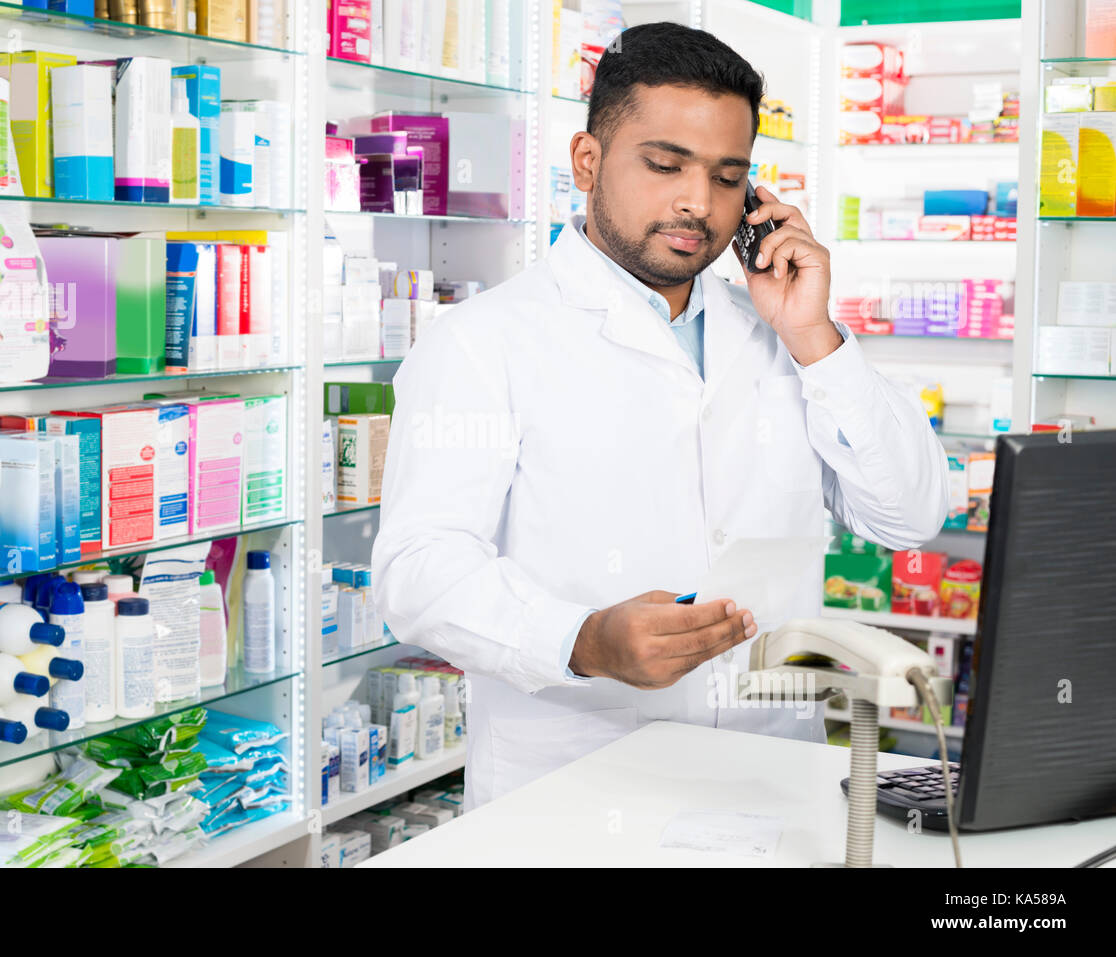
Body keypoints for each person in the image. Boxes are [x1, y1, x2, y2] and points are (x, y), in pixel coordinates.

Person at [372, 23, 948, 810]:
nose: (696, 202)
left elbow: (910, 514)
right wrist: (581, 638)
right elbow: (417, 569)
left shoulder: (783, 334)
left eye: (726, 177)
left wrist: (816, 337)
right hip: (572, 794)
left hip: (771, 779)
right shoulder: (483, 342)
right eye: (664, 164)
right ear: (587, 160)